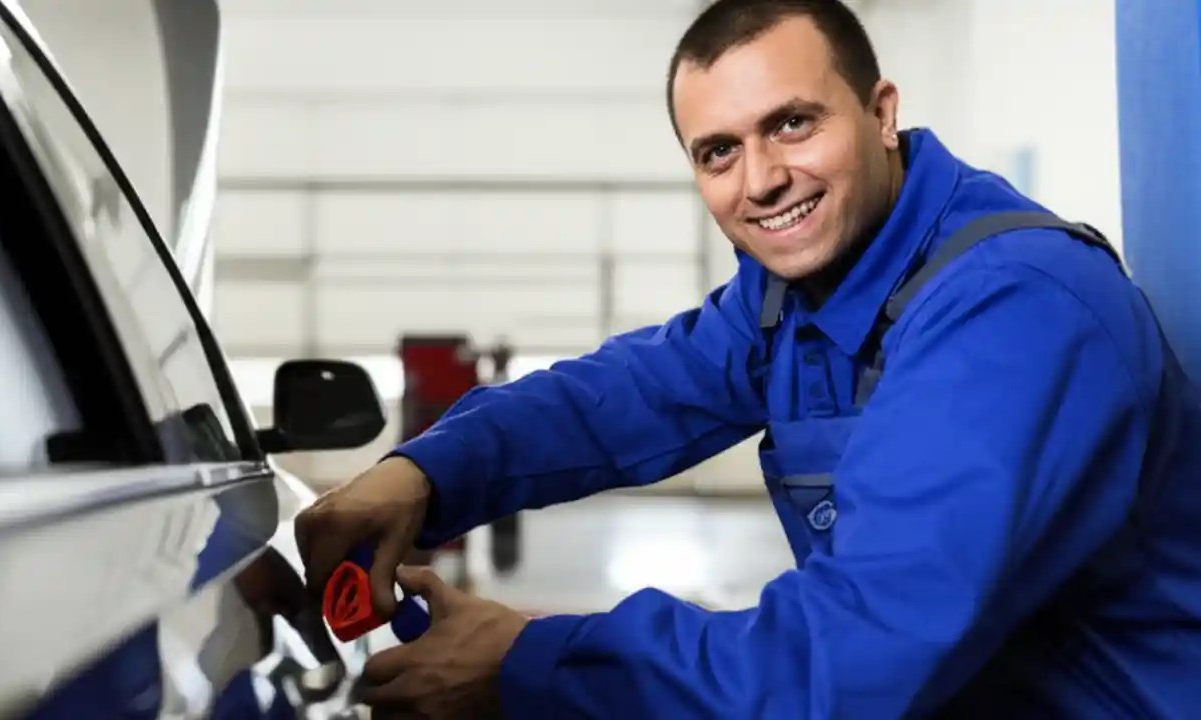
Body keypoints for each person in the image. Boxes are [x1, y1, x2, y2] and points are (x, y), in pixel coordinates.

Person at [295, 0, 1201, 717]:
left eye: (793, 124)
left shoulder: (1011, 313)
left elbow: (856, 653)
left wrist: (528, 664)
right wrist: (423, 473)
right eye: (718, 151)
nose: (760, 179)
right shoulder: (802, 294)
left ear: (882, 113)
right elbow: (626, 394)